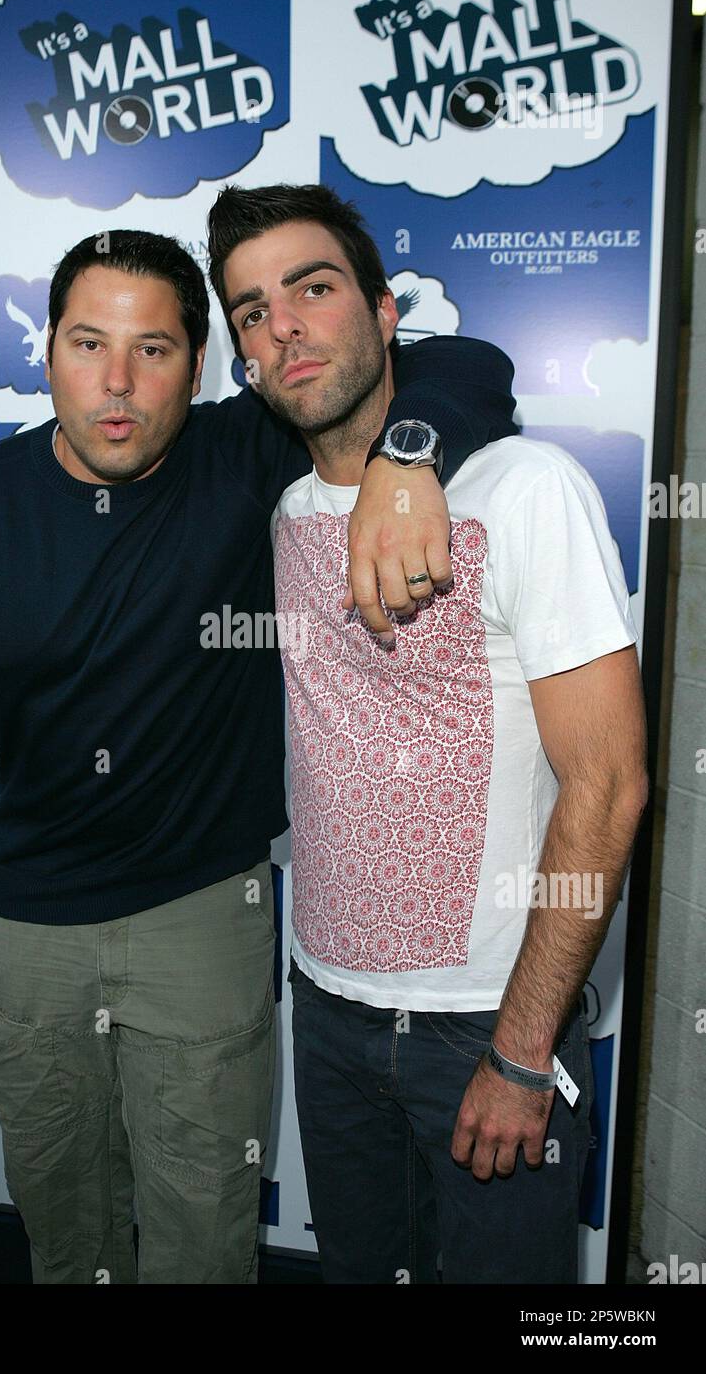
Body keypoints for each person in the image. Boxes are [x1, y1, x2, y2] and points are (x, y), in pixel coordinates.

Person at [0, 226, 517, 1285]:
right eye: (88, 345)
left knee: (201, 1241)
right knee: (65, 1233)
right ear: (45, 351)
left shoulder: (242, 452)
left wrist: (404, 457)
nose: (118, 383)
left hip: (201, 918)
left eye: (155, 350)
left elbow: (467, 365)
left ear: (202, 366)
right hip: (35, 927)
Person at [207, 182, 650, 1284]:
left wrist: (520, 1048)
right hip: (326, 1011)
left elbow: (607, 786)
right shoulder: (265, 497)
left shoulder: (525, 488)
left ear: (385, 308)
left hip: (486, 1032)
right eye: (252, 312)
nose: (285, 327)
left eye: (311, 289)